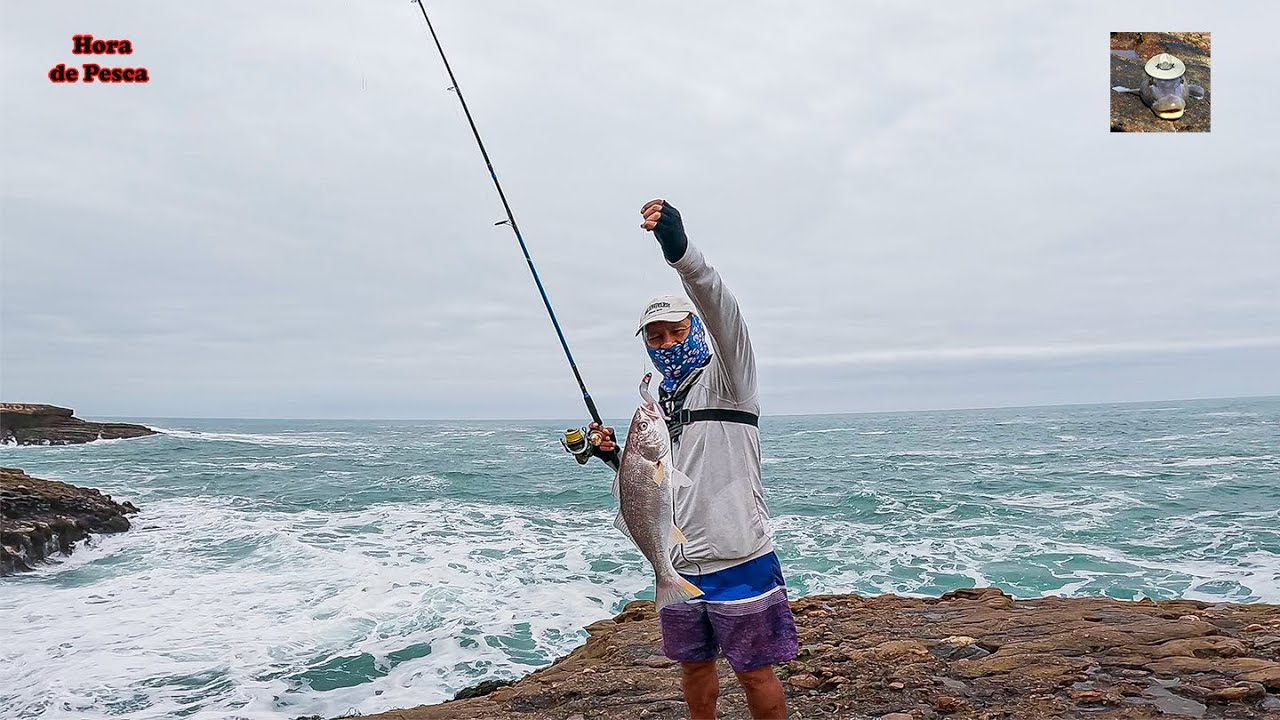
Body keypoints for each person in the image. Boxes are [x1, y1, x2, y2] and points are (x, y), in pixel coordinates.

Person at [572, 198, 798, 720]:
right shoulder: (663, 401)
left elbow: (723, 308)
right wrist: (615, 459)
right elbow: (665, 478)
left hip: (740, 560)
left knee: (754, 671)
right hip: (675, 565)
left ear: (697, 330)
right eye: (656, 336)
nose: (667, 341)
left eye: (678, 330)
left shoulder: (731, 380)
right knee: (694, 669)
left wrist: (682, 254)